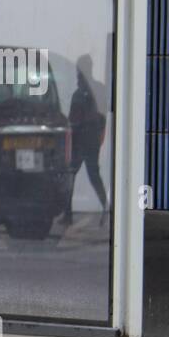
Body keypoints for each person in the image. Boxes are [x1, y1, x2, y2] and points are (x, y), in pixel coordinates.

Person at [65, 54, 109, 226]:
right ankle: (102, 207)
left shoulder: (85, 92)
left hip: (84, 139)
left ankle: (103, 207)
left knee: (81, 175)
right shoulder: (93, 89)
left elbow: (76, 118)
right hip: (86, 139)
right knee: (84, 175)